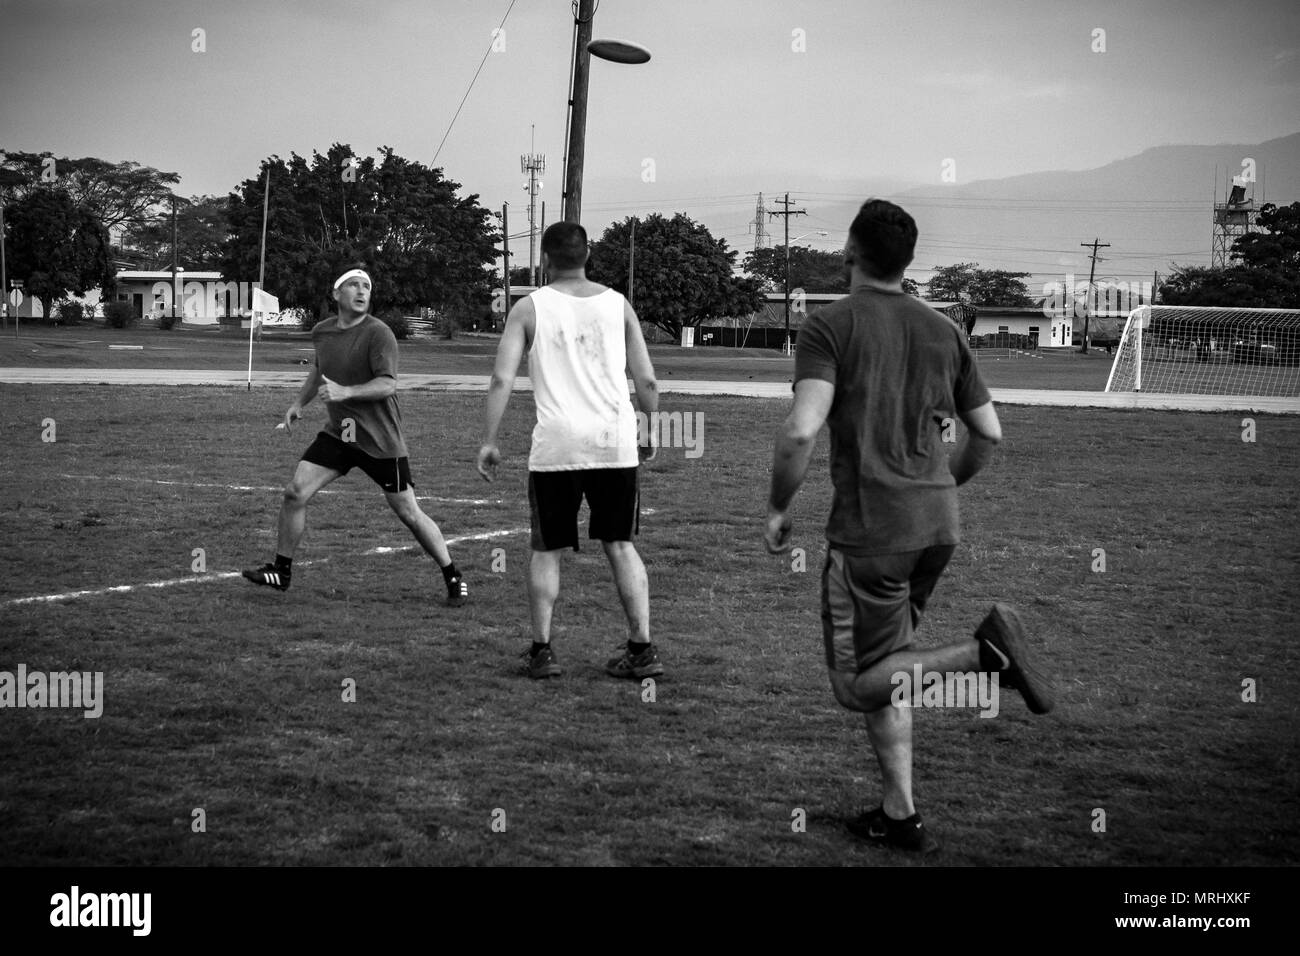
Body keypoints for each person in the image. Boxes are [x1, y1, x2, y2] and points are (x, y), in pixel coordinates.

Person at [763, 200, 1054, 853]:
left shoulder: (829, 325)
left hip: (871, 535)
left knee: (852, 686)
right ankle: (901, 816)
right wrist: (943, 484)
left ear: (849, 251)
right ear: (909, 260)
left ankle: (986, 655)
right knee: (893, 666)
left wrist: (779, 508)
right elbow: (988, 433)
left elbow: (801, 429)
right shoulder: (944, 329)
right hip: (936, 527)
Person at [477, 222, 660, 680]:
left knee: (547, 549)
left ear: (545, 258)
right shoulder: (618, 305)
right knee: (621, 544)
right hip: (614, 443)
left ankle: (542, 651)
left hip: (557, 446)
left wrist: (490, 439)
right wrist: (648, 428)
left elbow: (502, 379)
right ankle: (642, 650)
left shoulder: (528, 308)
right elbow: (648, 380)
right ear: (588, 254)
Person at [243, 267, 468, 607]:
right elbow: (319, 371)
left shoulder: (379, 334)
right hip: (340, 435)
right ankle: (281, 571)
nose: (362, 291)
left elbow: (388, 383)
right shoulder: (322, 332)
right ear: (336, 294)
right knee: (294, 493)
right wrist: (298, 404)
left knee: (408, 512)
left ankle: (453, 575)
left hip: (380, 440)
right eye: (353, 285)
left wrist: (346, 391)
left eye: (366, 286)